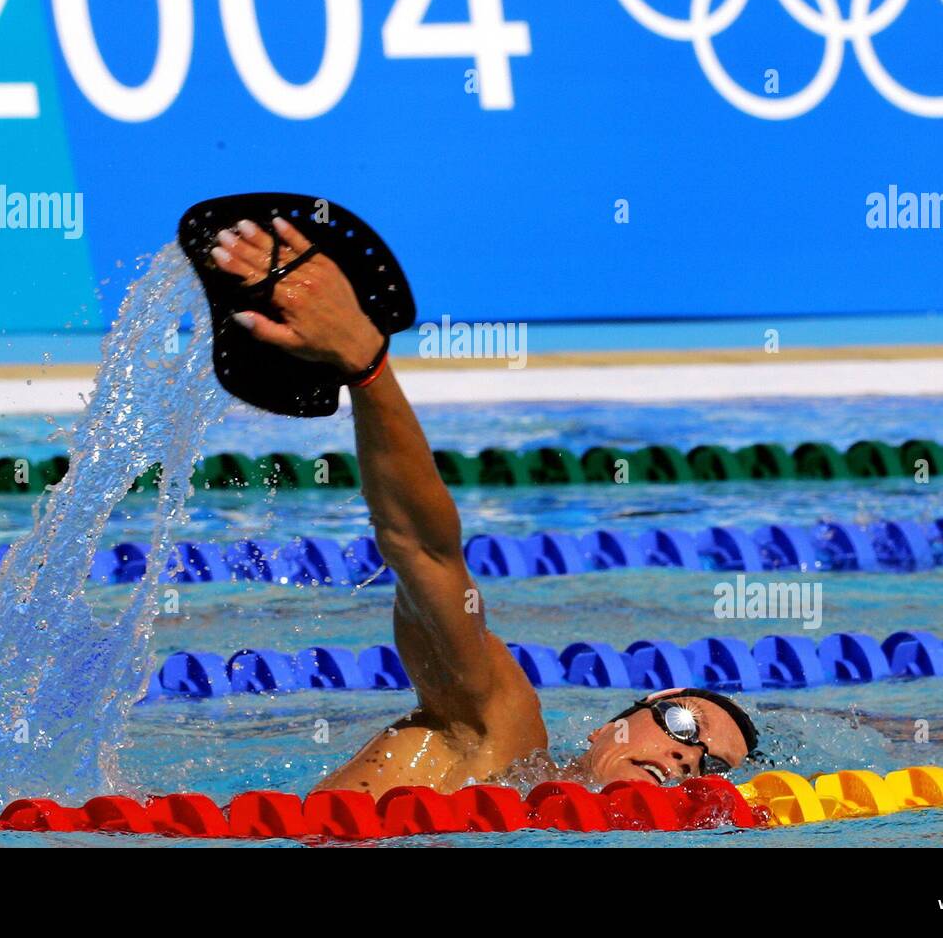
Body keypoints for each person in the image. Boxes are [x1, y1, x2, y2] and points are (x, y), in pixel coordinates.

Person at [210, 216, 759, 798]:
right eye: (684, 725)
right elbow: (423, 552)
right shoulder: (493, 740)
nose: (686, 757)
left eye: (713, 768)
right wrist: (366, 365)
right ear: (611, 725)